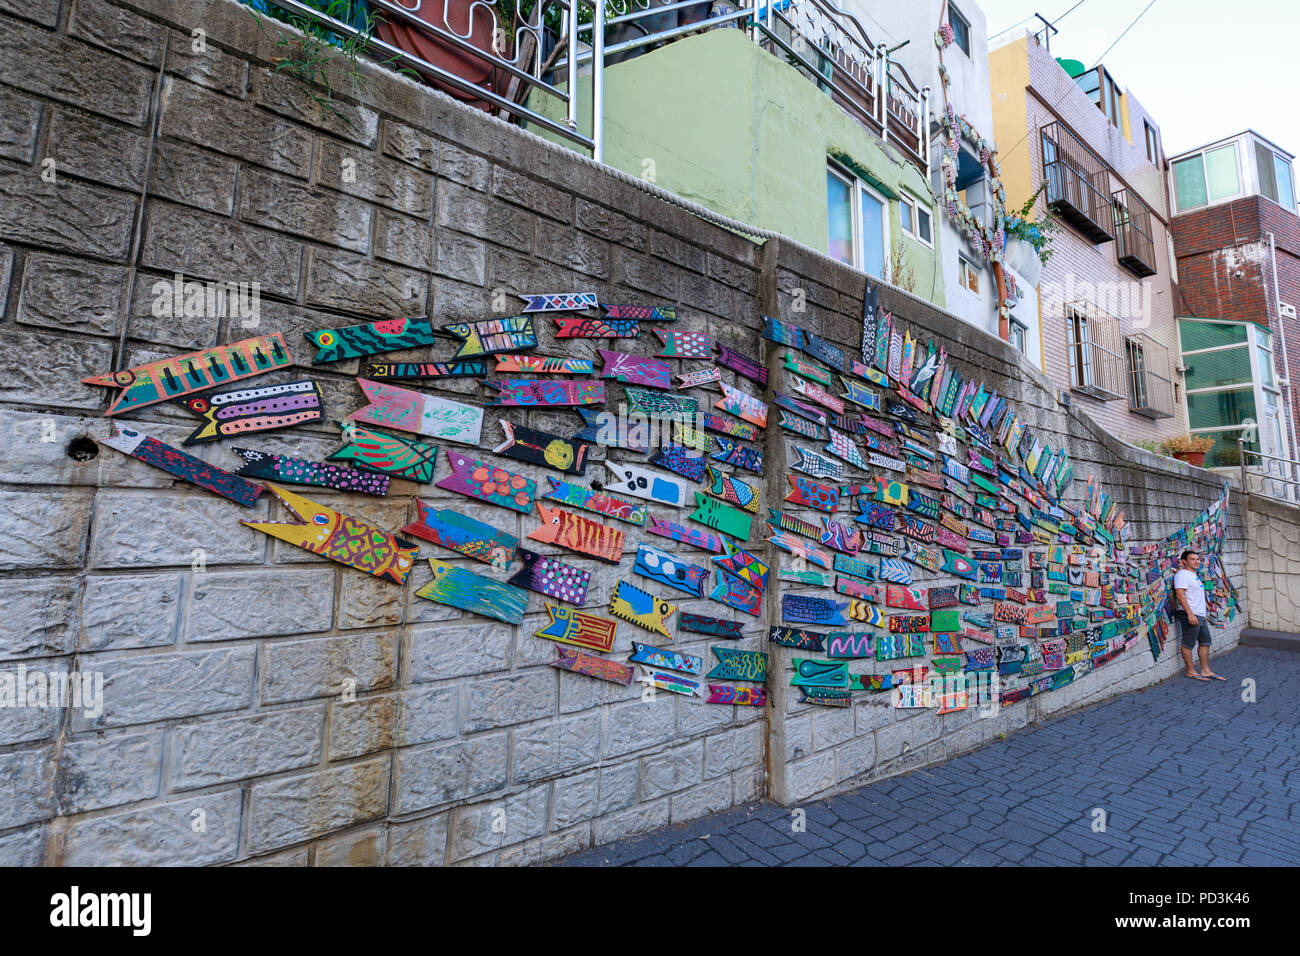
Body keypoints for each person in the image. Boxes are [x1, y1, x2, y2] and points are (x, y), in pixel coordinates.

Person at [1173, 549, 1223, 681]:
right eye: (1192, 559)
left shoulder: (1194, 575)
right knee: (1188, 644)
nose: (1196, 561)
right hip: (1190, 614)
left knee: (1205, 642)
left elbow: (1194, 595)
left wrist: (1205, 608)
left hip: (1200, 614)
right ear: (1184, 561)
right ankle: (1190, 671)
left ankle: (1206, 670)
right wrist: (1190, 614)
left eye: (1197, 559)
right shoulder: (1182, 574)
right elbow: (1180, 594)